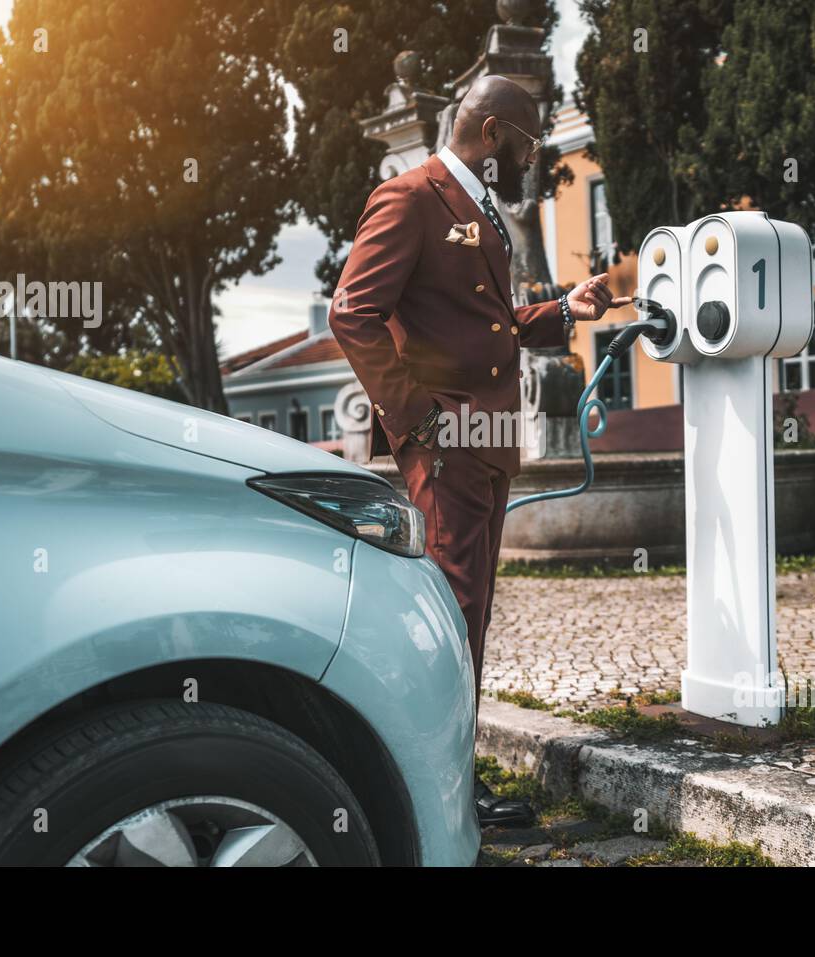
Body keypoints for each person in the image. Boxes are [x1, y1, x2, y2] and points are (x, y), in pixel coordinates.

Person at [328, 75, 629, 827]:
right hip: (450, 447)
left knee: (470, 617)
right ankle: (446, 792)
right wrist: (419, 425)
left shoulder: (478, 206)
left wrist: (564, 310)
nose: (532, 163)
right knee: (454, 616)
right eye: (527, 148)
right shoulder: (410, 198)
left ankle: (454, 777)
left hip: (486, 447)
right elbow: (351, 314)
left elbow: (486, 322)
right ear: (492, 135)